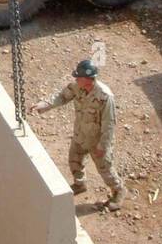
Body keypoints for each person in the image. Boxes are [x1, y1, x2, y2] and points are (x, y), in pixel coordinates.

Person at [34, 58, 125, 209]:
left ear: (89, 79)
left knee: (105, 169)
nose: (76, 79)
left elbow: (109, 125)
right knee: (74, 161)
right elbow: (62, 96)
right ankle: (80, 184)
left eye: (79, 77)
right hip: (80, 135)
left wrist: (103, 146)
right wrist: (44, 105)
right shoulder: (77, 87)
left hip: (97, 141)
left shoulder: (105, 97)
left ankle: (118, 191)